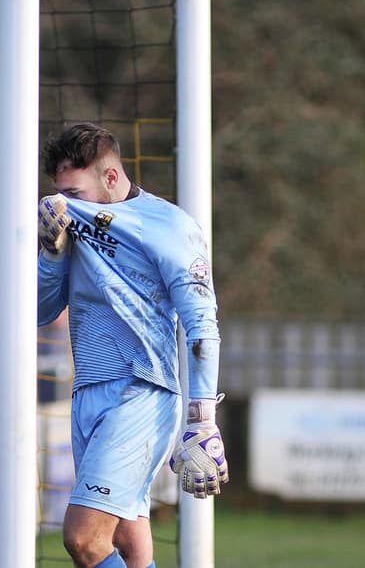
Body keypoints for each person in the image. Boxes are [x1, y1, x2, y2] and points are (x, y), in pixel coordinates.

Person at [36, 123, 229, 568]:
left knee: (83, 538)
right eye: (60, 193)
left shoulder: (169, 225)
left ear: (110, 177)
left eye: (74, 193)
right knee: (127, 540)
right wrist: (52, 253)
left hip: (141, 391)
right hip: (88, 391)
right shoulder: (71, 225)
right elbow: (40, 311)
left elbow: (202, 321)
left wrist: (203, 419)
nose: (65, 204)